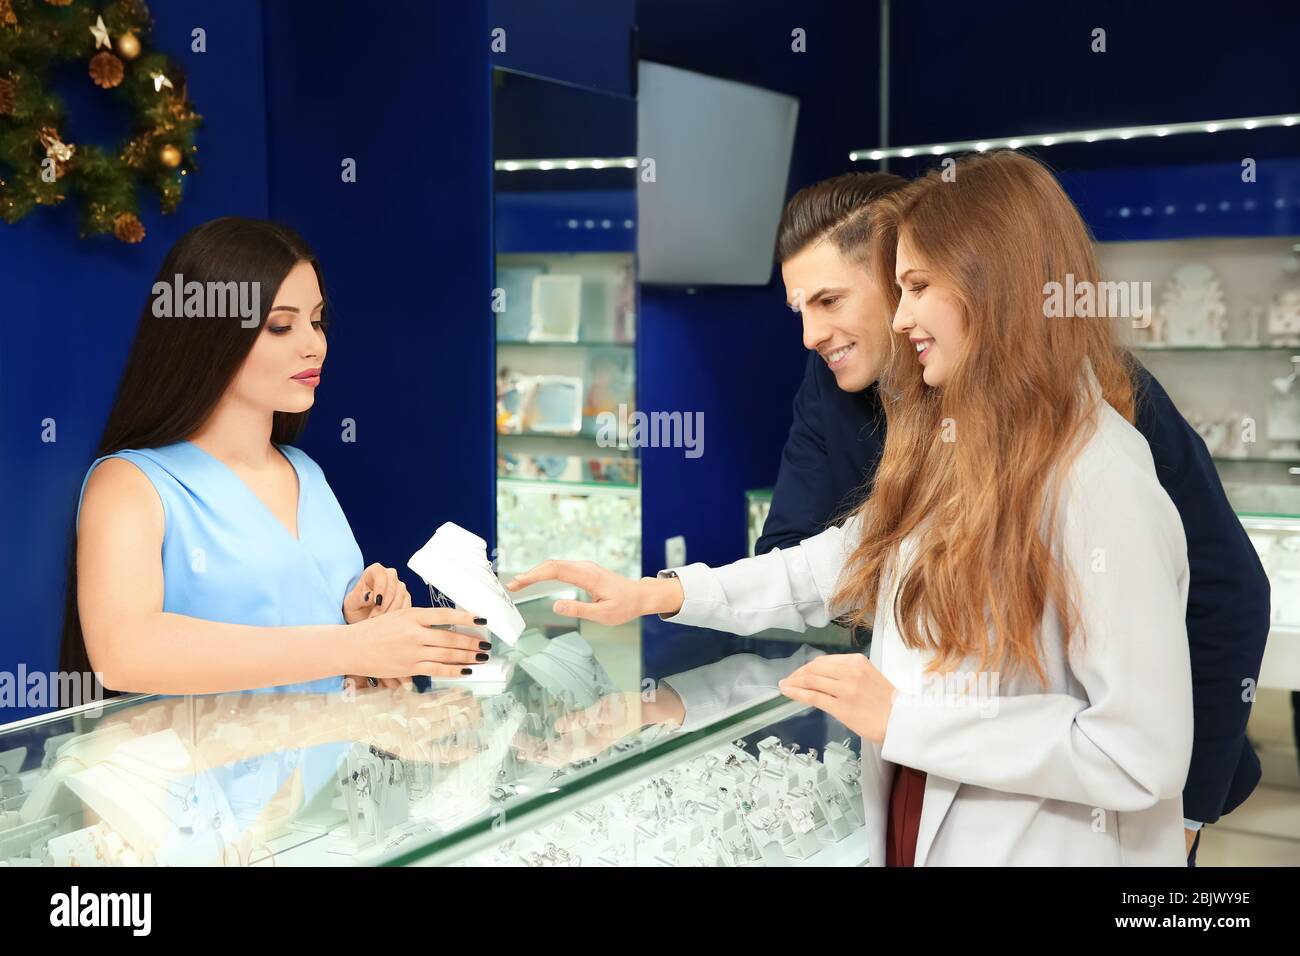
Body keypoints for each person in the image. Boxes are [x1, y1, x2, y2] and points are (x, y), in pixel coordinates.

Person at [508, 151, 1196, 865]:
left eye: (920, 287)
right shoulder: (956, 445)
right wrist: (657, 593)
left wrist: (906, 720)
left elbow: (1138, 752)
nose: (902, 320)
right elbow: (827, 568)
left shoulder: (1098, 475)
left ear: (999, 289)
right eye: (900, 289)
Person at [761, 169, 1269, 866]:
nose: (812, 334)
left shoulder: (1101, 409)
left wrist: (1180, 816)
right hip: (937, 778)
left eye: (831, 300)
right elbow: (800, 553)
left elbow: (1227, 595)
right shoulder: (838, 390)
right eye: (799, 310)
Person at [61, 217, 488, 701]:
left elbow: (323, 657)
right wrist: (350, 645)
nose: (315, 345)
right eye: (281, 326)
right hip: (190, 775)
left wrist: (363, 619)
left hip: (320, 772)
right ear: (207, 335)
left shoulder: (304, 472)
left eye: (317, 320)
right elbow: (125, 655)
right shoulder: (130, 484)